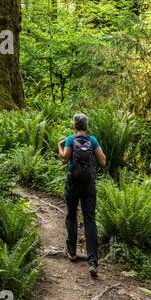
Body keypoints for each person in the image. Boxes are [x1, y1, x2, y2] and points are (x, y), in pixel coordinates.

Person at [58, 112, 106, 277]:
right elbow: (103, 161)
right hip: (89, 185)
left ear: (74, 125)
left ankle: (71, 251)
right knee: (90, 220)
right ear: (86, 126)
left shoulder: (70, 140)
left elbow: (64, 159)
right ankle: (92, 261)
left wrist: (59, 145)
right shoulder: (92, 141)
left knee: (71, 216)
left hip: (73, 183)